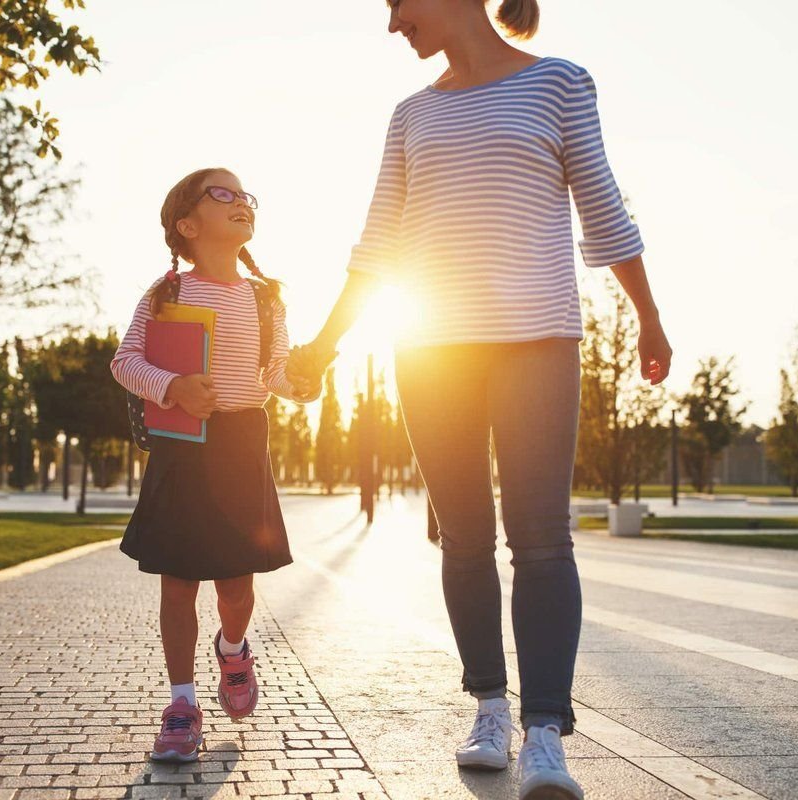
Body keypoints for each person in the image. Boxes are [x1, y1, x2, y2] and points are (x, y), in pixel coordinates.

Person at [288, 2, 673, 798]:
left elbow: (601, 203)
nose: (395, 24)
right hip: (430, 352)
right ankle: (489, 709)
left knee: (541, 540)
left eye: (400, 4)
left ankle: (545, 732)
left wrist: (648, 314)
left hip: (538, 340)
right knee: (464, 538)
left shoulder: (560, 83)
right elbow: (377, 245)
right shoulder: (411, 115)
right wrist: (326, 346)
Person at [110, 168, 321, 762]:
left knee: (235, 585)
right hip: (182, 448)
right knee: (178, 583)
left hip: (239, 446)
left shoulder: (265, 297)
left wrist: (304, 384)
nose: (241, 203)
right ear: (187, 225)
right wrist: (173, 386)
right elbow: (125, 363)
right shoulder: (165, 294)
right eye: (222, 194)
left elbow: (277, 375)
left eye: (245, 195)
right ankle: (181, 706)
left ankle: (234, 649)